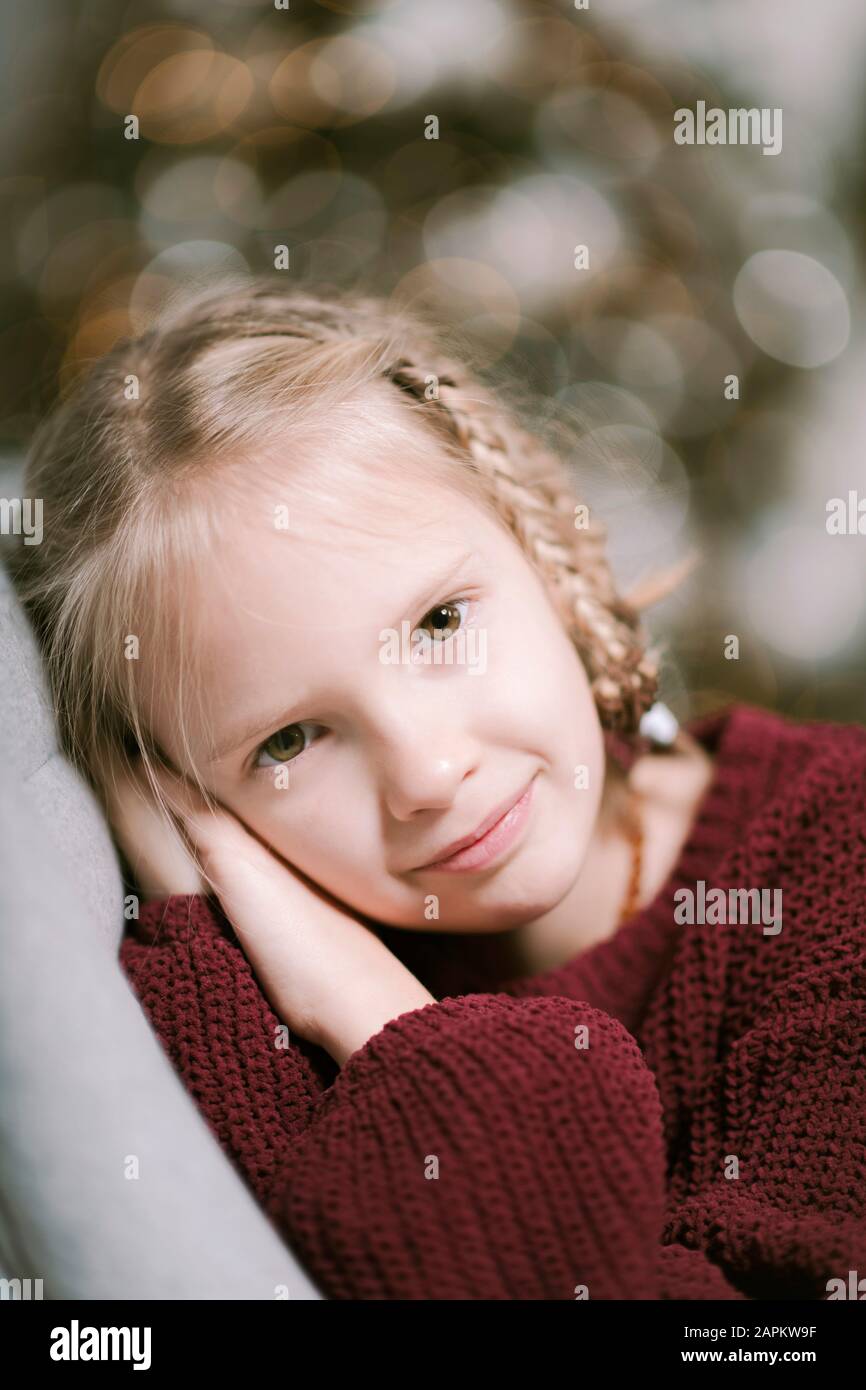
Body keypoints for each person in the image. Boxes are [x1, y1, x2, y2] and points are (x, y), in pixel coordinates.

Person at [9, 278, 866, 1299]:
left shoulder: (832, 852)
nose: (425, 771)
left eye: (439, 625)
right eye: (287, 738)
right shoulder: (244, 991)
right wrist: (202, 916)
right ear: (187, 798)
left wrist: (380, 1023)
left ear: (535, 540)